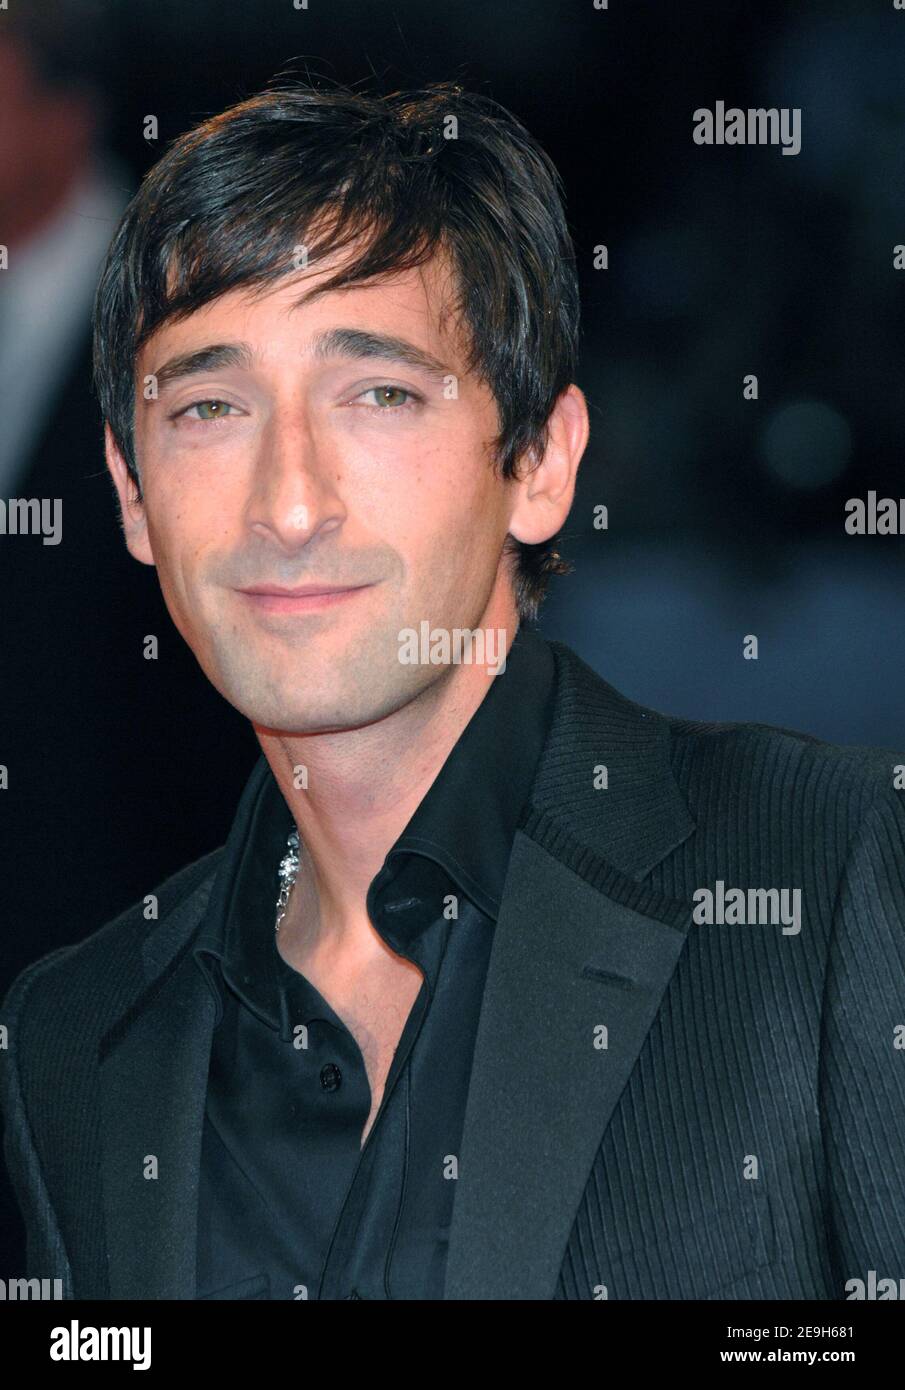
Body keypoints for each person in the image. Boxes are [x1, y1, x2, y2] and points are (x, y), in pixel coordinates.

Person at [2, 77, 904, 1302]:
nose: (289, 501)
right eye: (209, 408)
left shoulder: (834, 873)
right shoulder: (72, 1042)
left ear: (536, 463)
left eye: (378, 395)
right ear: (128, 492)